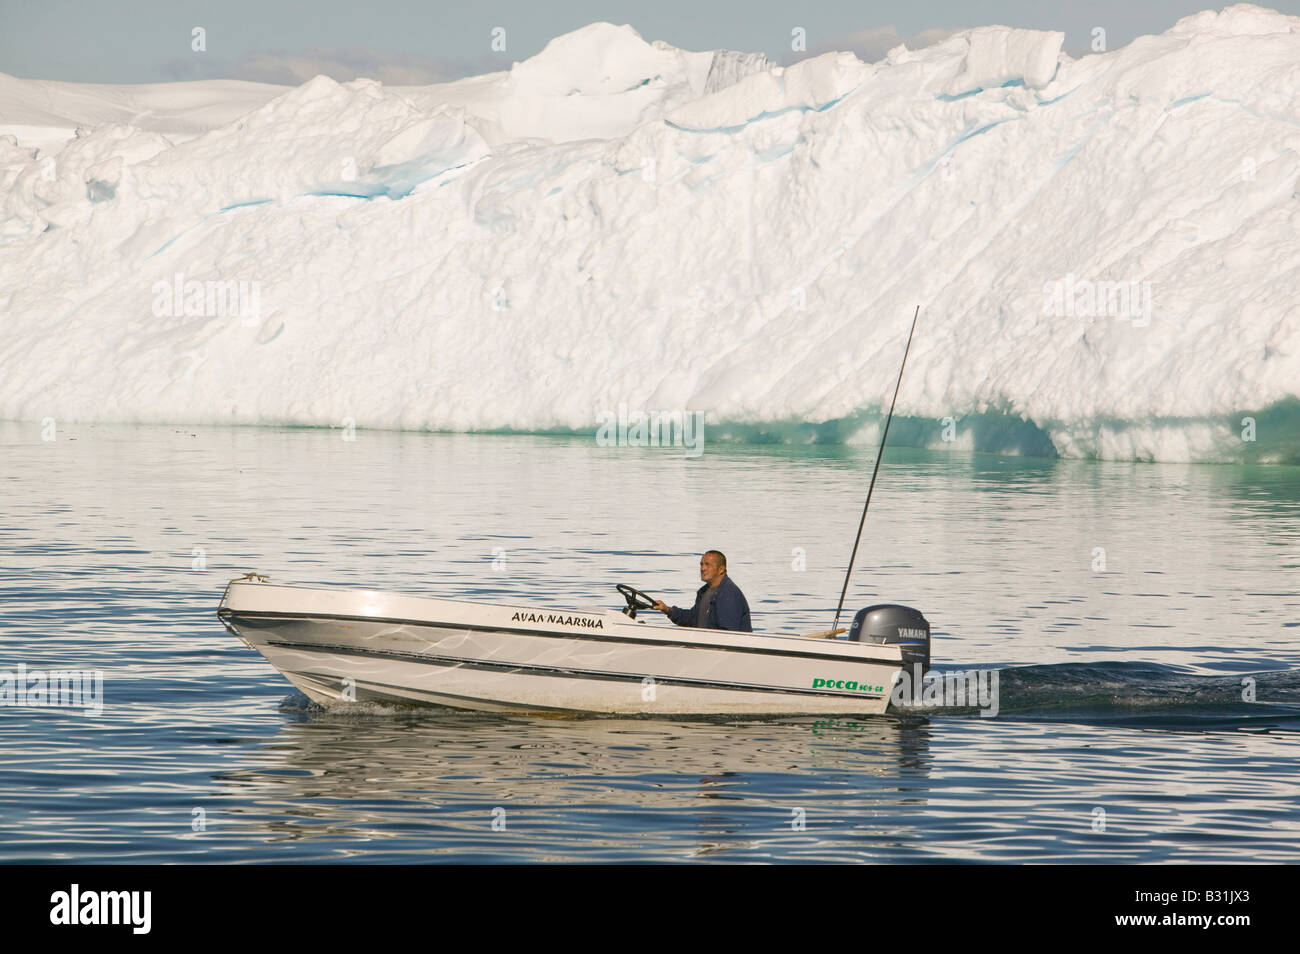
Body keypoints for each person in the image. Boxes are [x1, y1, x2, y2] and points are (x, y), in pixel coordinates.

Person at [652, 550, 752, 632]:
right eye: (701, 564)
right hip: (706, 649)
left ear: (721, 569)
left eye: (707, 565)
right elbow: (692, 619)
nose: (702, 568)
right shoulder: (704, 591)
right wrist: (667, 609)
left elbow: (728, 634)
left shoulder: (729, 594)